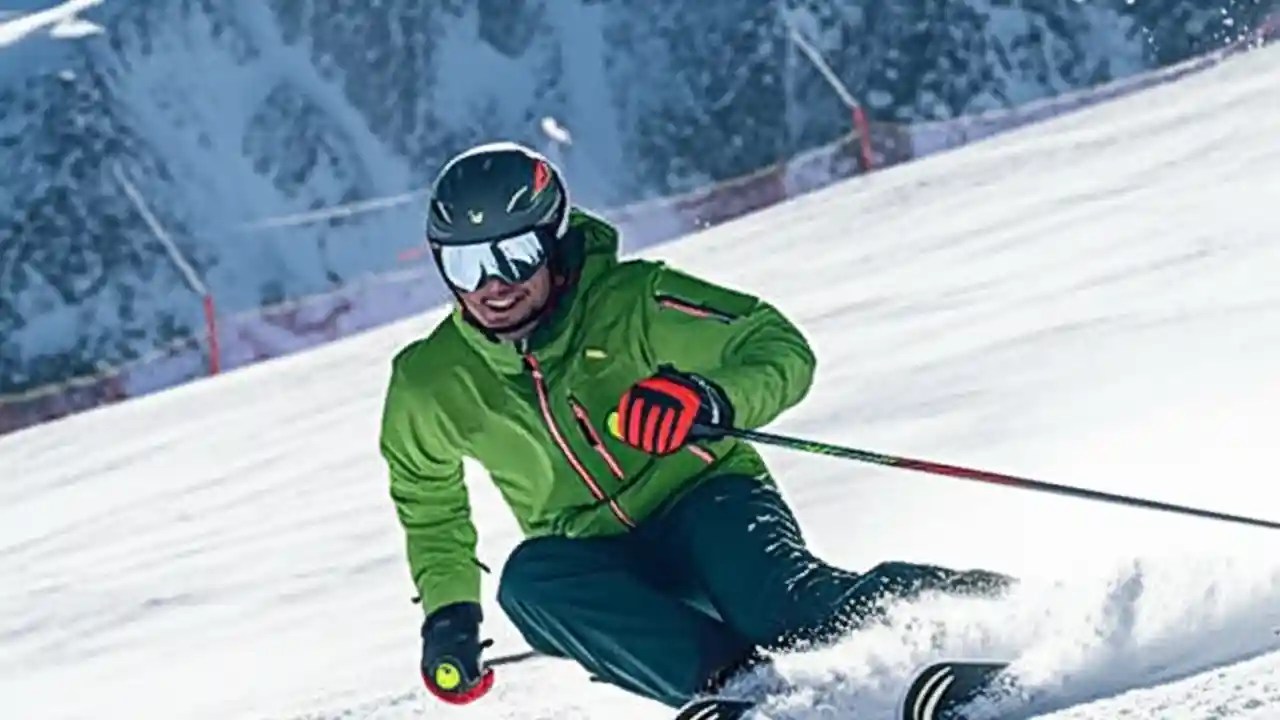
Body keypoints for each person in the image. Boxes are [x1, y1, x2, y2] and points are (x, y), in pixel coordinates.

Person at [379, 141, 1008, 712]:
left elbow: (777, 346)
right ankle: (748, 696)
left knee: (783, 611)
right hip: (600, 555)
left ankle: (986, 617)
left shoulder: (634, 301)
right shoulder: (431, 381)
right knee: (531, 584)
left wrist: (710, 399)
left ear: (553, 244)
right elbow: (429, 505)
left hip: (707, 502)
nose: (492, 286)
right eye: (466, 265)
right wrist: (449, 616)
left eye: (514, 257)